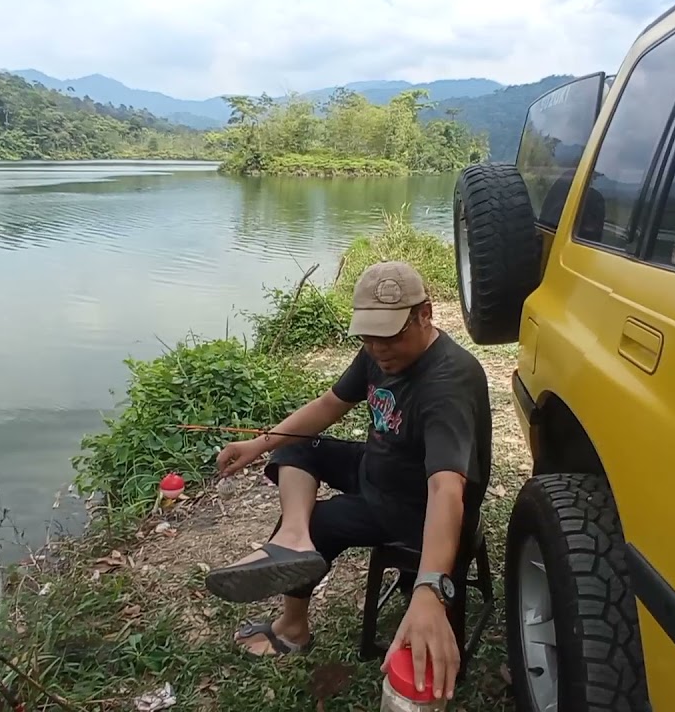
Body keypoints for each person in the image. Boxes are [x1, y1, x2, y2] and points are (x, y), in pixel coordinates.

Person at [203, 260, 492, 701]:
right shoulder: (380, 351)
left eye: (390, 335)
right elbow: (329, 403)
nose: (378, 348)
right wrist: (257, 445)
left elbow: (446, 488)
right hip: (380, 466)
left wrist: (431, 586)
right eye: (368, 336)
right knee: (297, 444)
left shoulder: (447, 383)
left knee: (326, 522)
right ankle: (295, 538)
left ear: (426, 313)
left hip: (413, 508)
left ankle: (293, 628)